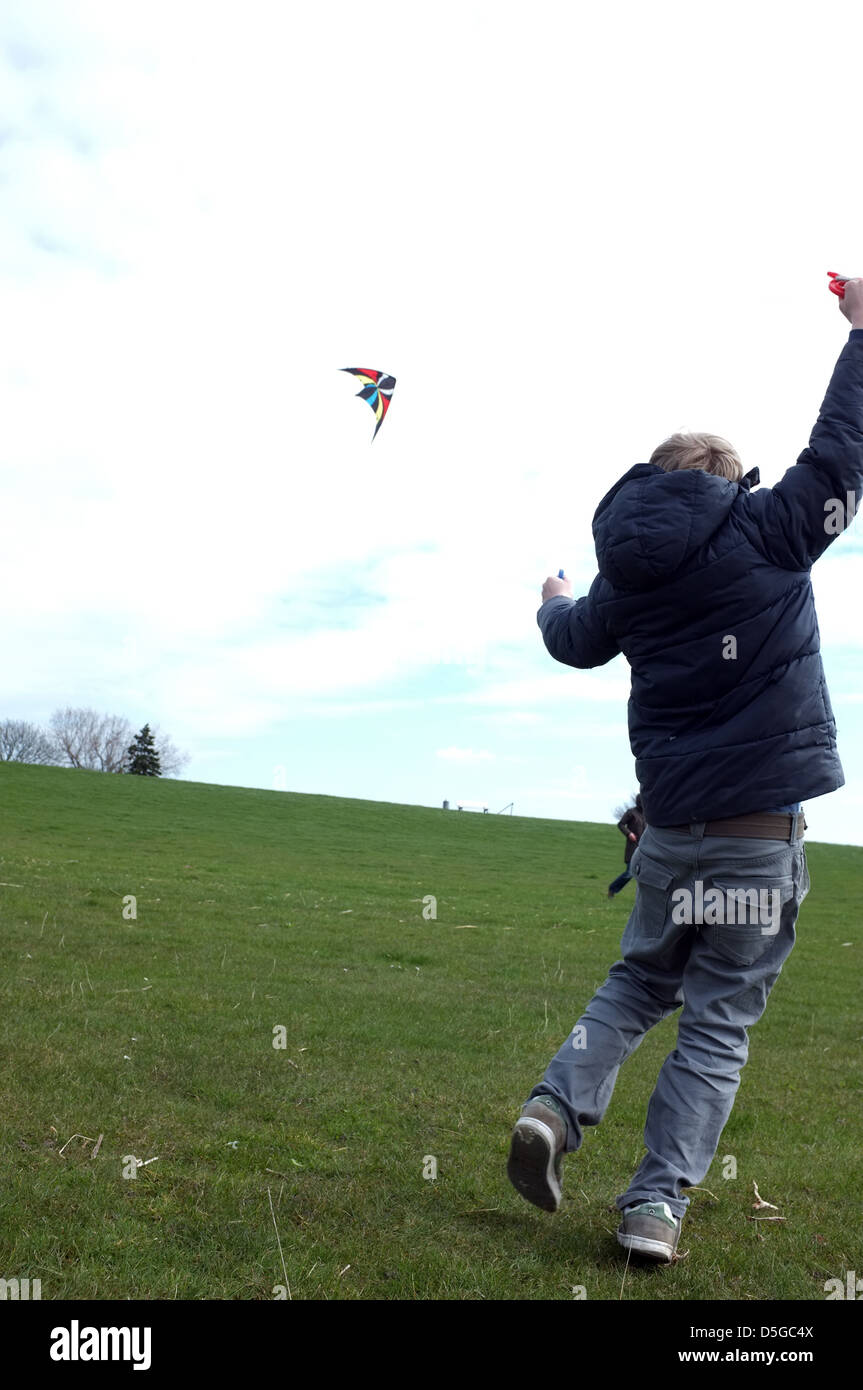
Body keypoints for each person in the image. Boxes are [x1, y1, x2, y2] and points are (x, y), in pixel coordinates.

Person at [507, 280, 863, 1263]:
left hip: (666, 839)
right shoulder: (767, 530)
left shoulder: (624, 582)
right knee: (713, 1025)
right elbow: (840, 454)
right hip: (754, 846)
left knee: (633, 985)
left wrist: (551, 599)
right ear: (729, 481)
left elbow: (571, 641)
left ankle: (551, 1107)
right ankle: (651, 1207)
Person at [608, 794, 645, 897]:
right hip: (633, 848)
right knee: (629, 873)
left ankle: (643, 898)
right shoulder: (631, 813)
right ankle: (612, 889)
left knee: (646, 874)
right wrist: (629, 833)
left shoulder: (648, 814)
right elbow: (620, 824)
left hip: (645, 849)